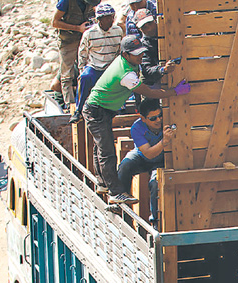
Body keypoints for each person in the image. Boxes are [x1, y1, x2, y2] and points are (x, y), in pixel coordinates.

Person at [82, 35, 190, 205]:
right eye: (136, 54)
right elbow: (150, 92)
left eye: (141, 52)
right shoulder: (125, 74)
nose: (141, 56)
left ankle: (103, 182)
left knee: (101, 146)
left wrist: (163, 70)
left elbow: (146, 77)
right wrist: (175, 92)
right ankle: (115, 192)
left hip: (103, 109)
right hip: (97, 111)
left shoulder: (128, 63)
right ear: (125, 54)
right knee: (107, 151)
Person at [117, 98, 171, 226]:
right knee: (125, 165)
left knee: (155, 184)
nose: (158, 120)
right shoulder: (136, 128)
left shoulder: (168, 121)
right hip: (143, 157)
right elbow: (148, 153)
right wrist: (164, 142)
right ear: (143, 118)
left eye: (160, 116)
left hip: (162, 160)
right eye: (153, 118)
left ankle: (155, 222)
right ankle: (120, 201)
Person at [69, 2, 122, 123]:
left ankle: (120, 107)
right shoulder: (89, 34)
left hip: (111, 67)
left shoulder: (118, 31)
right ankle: (78, 110)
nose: (110, 20)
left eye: (111, 17)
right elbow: (82, 53)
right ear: (100, 20)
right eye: (107, 18)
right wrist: (82, 69)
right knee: (85, 78)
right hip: (95, 66)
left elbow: (119, 51)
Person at [52, 0, 99, 111]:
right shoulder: (66, 2)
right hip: (68, 40)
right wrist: (77, 28)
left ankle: (88, 102)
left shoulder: (90, 3)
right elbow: (55, 22)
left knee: (87, 69)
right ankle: (70, 105)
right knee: (67, 75)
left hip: (85, 39)